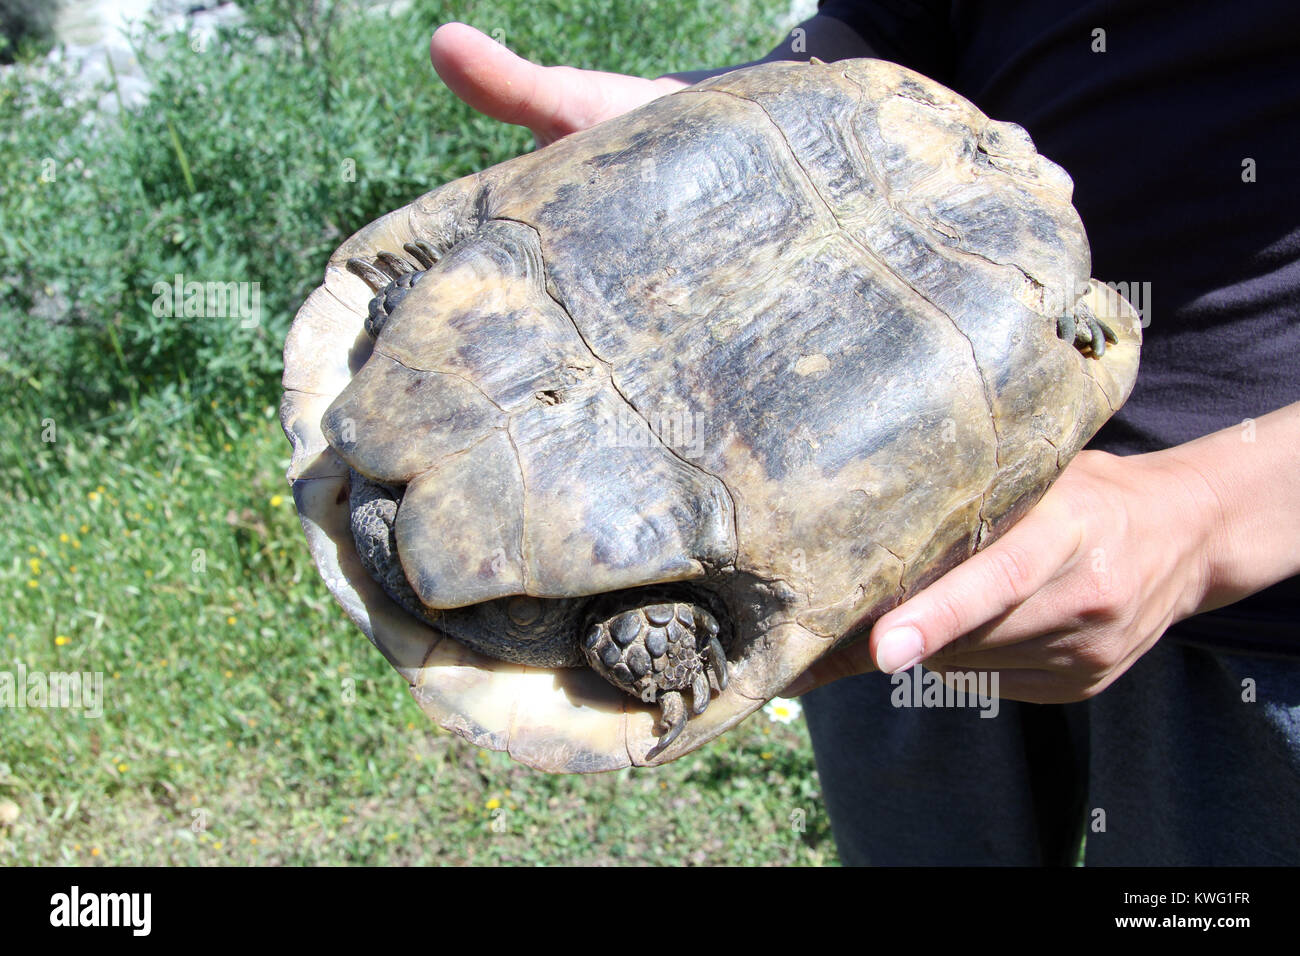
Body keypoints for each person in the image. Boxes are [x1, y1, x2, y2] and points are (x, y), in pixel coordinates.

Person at [427, 3, 1300, 864]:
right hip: (835, 504)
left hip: (1258, 598)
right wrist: (734, 127)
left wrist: (1210, 520)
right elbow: (891, 19)